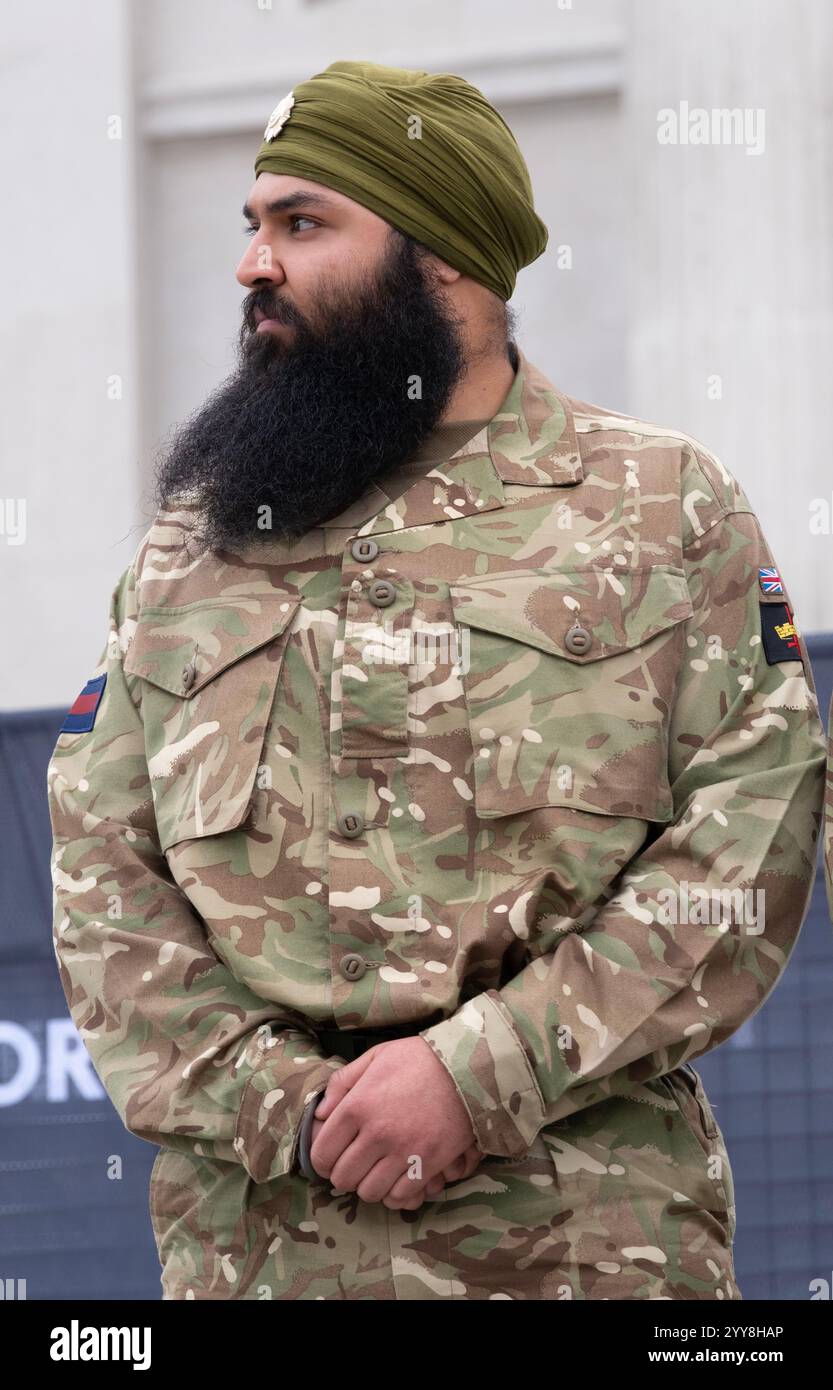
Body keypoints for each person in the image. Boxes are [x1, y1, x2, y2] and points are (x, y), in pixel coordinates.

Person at [48, 59, 827, 1301]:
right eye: (252, 226)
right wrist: (292, 1111)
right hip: (258, 1259)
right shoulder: (190, 550)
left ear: (447, 258)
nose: (256, 264)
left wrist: (482, 1073)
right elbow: (104, 882)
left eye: (302, 224)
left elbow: (750, 848)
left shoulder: (658, 510)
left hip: (588, 1257)